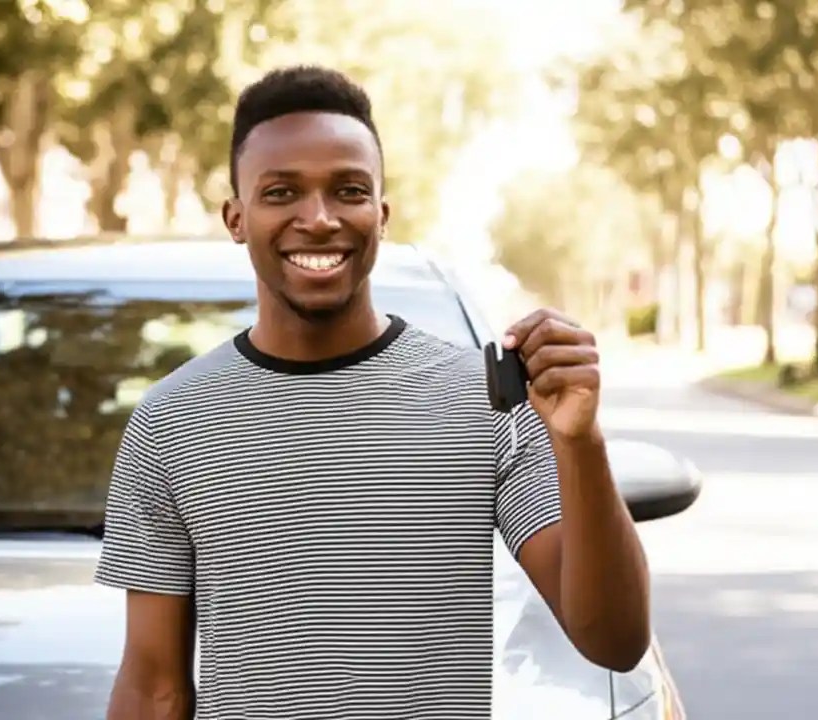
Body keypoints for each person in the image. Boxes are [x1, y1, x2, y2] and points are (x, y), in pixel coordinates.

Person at [95, 64, 651, 720]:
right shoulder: (171, 421)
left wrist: (581, 443)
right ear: (236, 217)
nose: (320, 218)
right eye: (281, 193)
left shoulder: (488, 399)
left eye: (349, 190)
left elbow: (614, 640)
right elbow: (153, 686)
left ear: (381, 215)